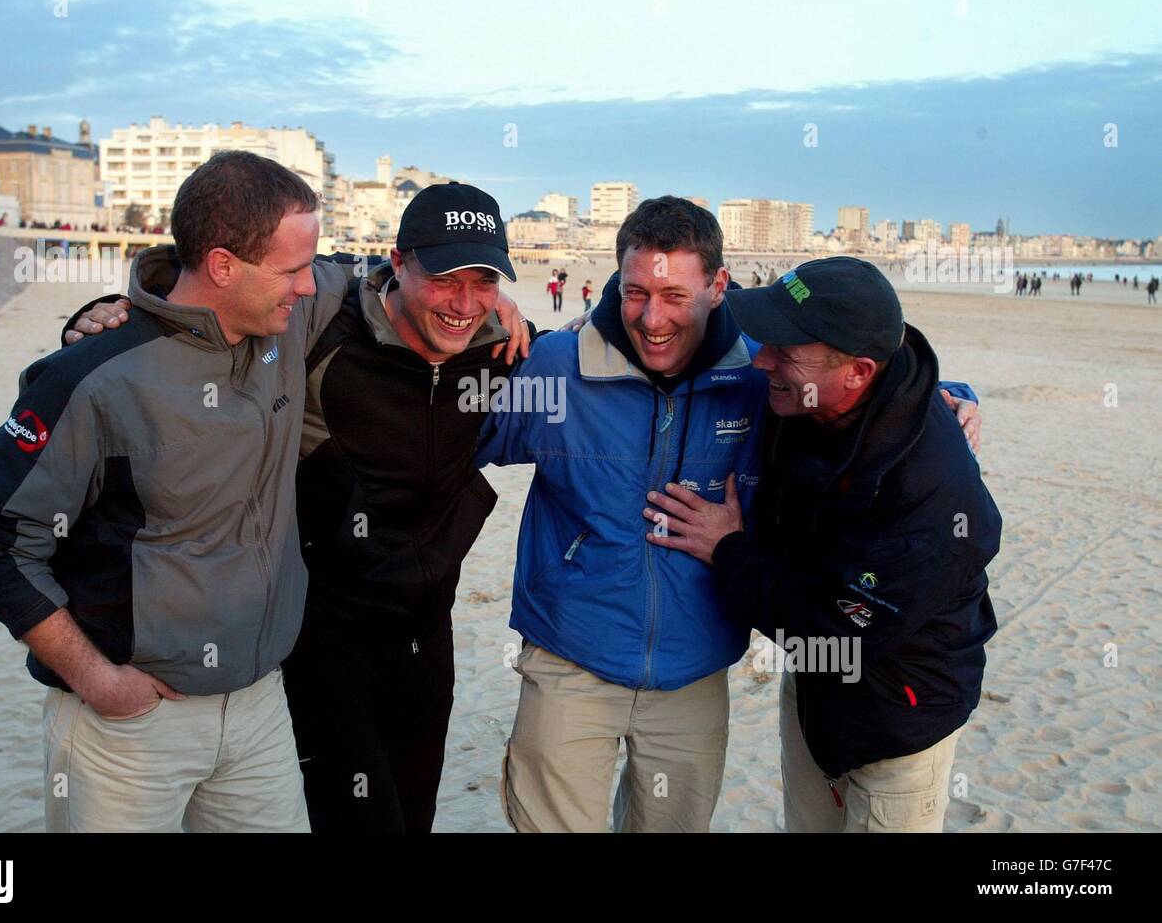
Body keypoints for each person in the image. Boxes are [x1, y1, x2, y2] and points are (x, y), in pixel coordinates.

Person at [477, 199, 983, 832]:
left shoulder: (757, 371)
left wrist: (943, 399)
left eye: (674, 295)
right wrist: (477, 323)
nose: (652, 318)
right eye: (635, 292)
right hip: (570, 657)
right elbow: (455, 438)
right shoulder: (561, 366)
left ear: (717, 287)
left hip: (698, 671)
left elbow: (860, 388)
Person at [63, 182, 533, 833]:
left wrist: (489, 301)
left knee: (412, 812)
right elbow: (223, 284)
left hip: (427, 635)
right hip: (317, 635)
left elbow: (604, 359)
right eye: (445, 277)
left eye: (484, 280)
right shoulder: (319, 325)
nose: (465, 301)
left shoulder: (499, 348)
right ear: (397, 262)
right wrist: (117, 310)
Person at [0, 151, 346, 832]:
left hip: (259, 710)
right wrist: (99, 681)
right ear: (223, 266)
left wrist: (498, 314)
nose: (310, 286)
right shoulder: (94, 377)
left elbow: (401, 288)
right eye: (292, 269)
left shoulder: (287, 320)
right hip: (129, 724)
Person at [645, 257, 1001, 832]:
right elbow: (681, 297)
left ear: (858, 372)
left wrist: (729, 548)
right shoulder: (823, 393)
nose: (761, 361)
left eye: (784, 352)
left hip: (897, 720)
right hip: (816, 695)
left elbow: (839, 627)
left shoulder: (929, 488)